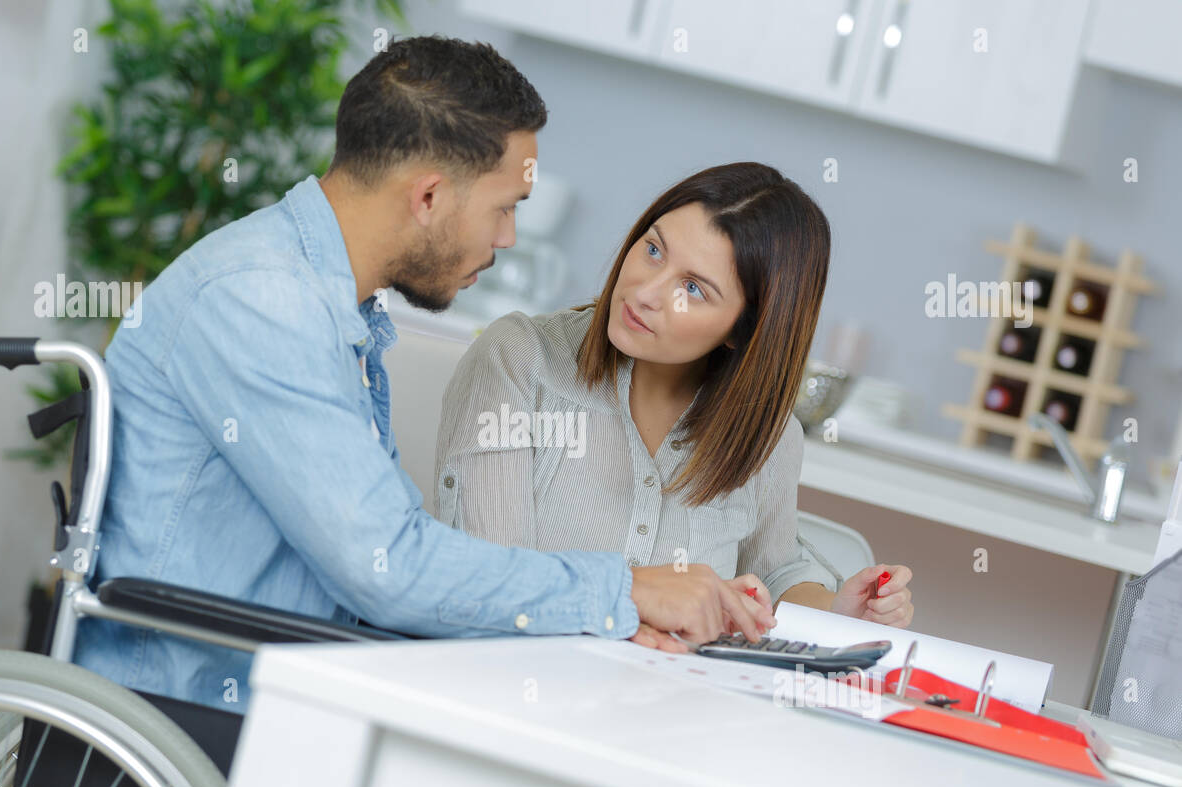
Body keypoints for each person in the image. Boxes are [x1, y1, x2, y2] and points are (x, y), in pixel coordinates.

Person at [71, 36, 773, 714]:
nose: (507, 239)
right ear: (430, 197)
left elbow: (388, 550)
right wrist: (622, 590)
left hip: (291, 680)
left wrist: (611, 614)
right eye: (505, 208)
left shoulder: (320, 298)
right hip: (196, 708)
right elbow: (389, 569)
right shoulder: (264, 302)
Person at [434, 162, 914, 655]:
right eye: (654, 249)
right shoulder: (518, 361)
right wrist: (635, 591)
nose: (644, 293)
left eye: (693, 289)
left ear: (742, 331)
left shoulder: (768, 438)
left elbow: (774, 568)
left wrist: (837, 619)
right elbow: (489, 574)